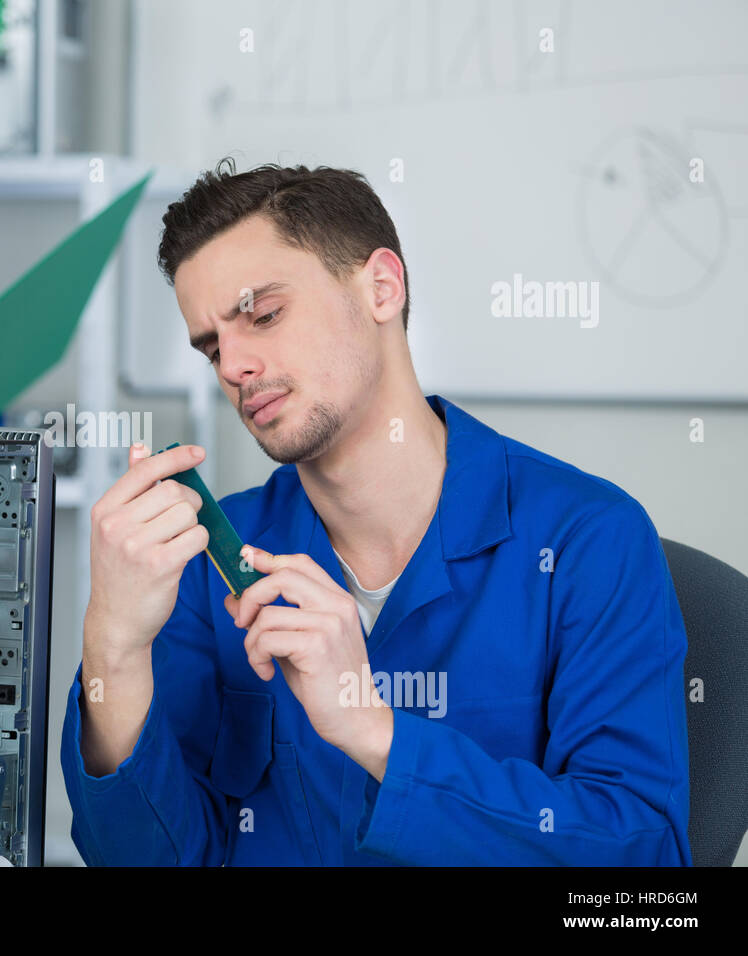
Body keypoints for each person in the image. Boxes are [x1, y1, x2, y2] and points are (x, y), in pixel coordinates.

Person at [61, 159, 692, 865]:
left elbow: (645, 863)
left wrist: (374, 729)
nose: (234, 364)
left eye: (263, 315)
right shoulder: (206, 563)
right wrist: (111, 642)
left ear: (381, 288)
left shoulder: (588, 543)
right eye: (212, 348)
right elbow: (147, 857)